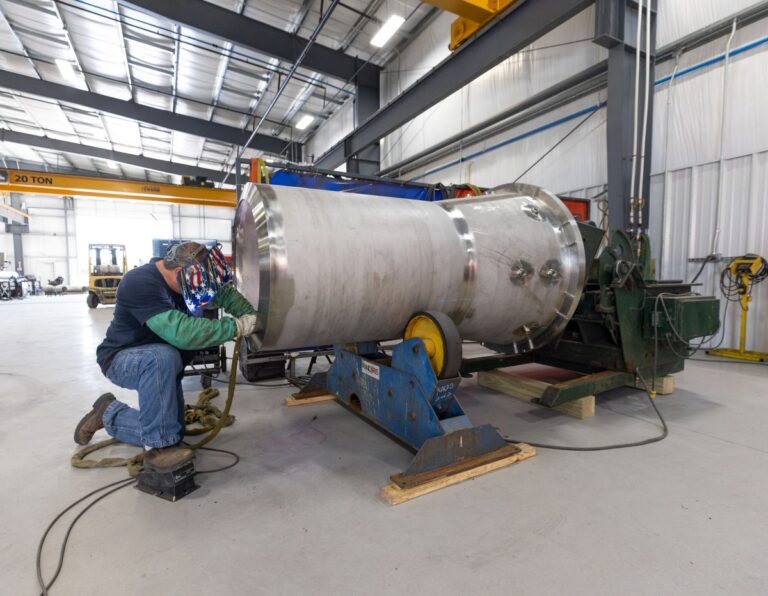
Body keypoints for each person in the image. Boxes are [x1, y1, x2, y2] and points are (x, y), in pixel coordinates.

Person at [74, 242, 258, 470]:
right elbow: (181, 333)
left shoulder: (187, 280)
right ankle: (158, 450)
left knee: (173, 431)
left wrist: (252, 316)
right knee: (163, 357)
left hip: (163, 364)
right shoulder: (140, 282)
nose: (205, 289)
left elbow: (225, 295)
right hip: (122, 359)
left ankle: (109, 413)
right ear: (181, 272)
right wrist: (236, 326)